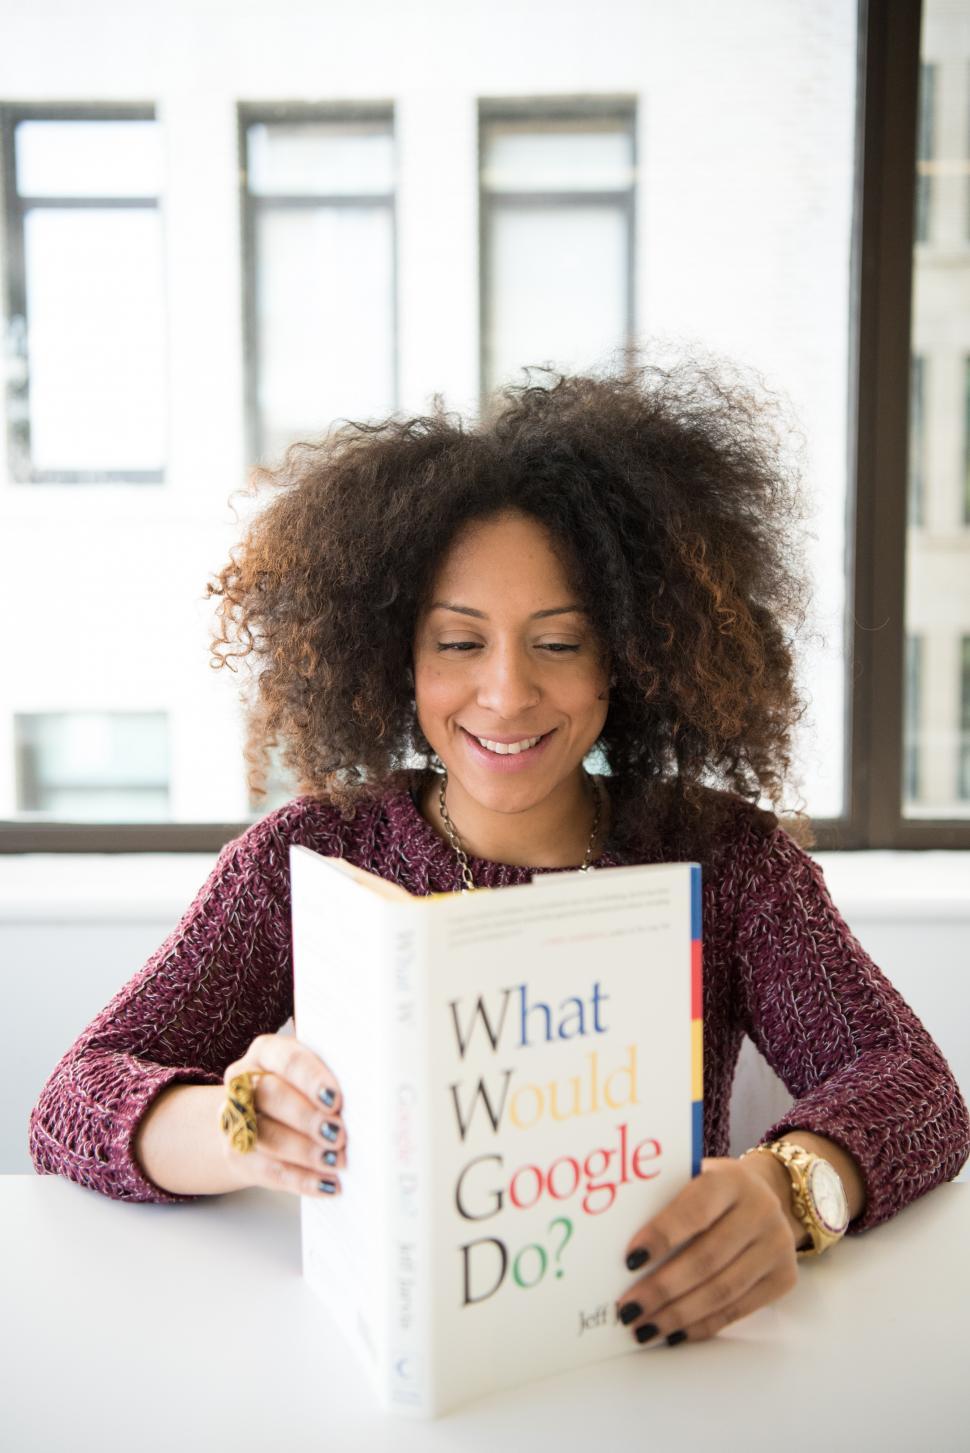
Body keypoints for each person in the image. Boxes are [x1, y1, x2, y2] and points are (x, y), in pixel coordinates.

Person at [29, 359, 970, 1352]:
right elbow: (70, 1104)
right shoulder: (310, 852)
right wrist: (240, 1125)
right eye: (458, 643)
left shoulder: (727, 862)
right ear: (396, 653)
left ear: (627, 656)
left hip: (652, 1358)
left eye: (559, 643)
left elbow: (915, 1091)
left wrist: (792, 1190)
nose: (507, 693)